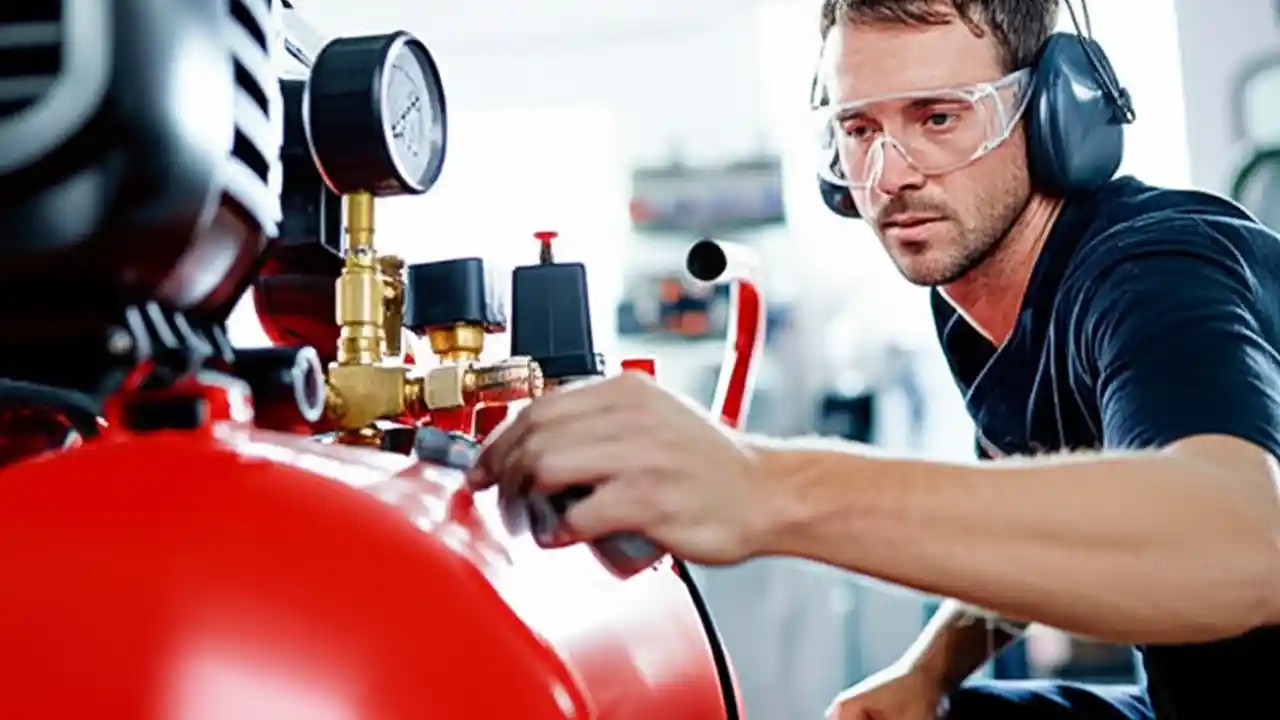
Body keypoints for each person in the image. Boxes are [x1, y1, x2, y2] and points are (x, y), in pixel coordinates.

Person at [466, 0, 1280, 717]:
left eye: (937, 118)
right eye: (860, 130)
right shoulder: (979, 303)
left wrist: (762, 486)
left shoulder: (1152, 271)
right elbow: (1031, 503)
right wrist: (925, 672)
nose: (889, 178)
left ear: (1054, 113)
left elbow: (1247, 544)